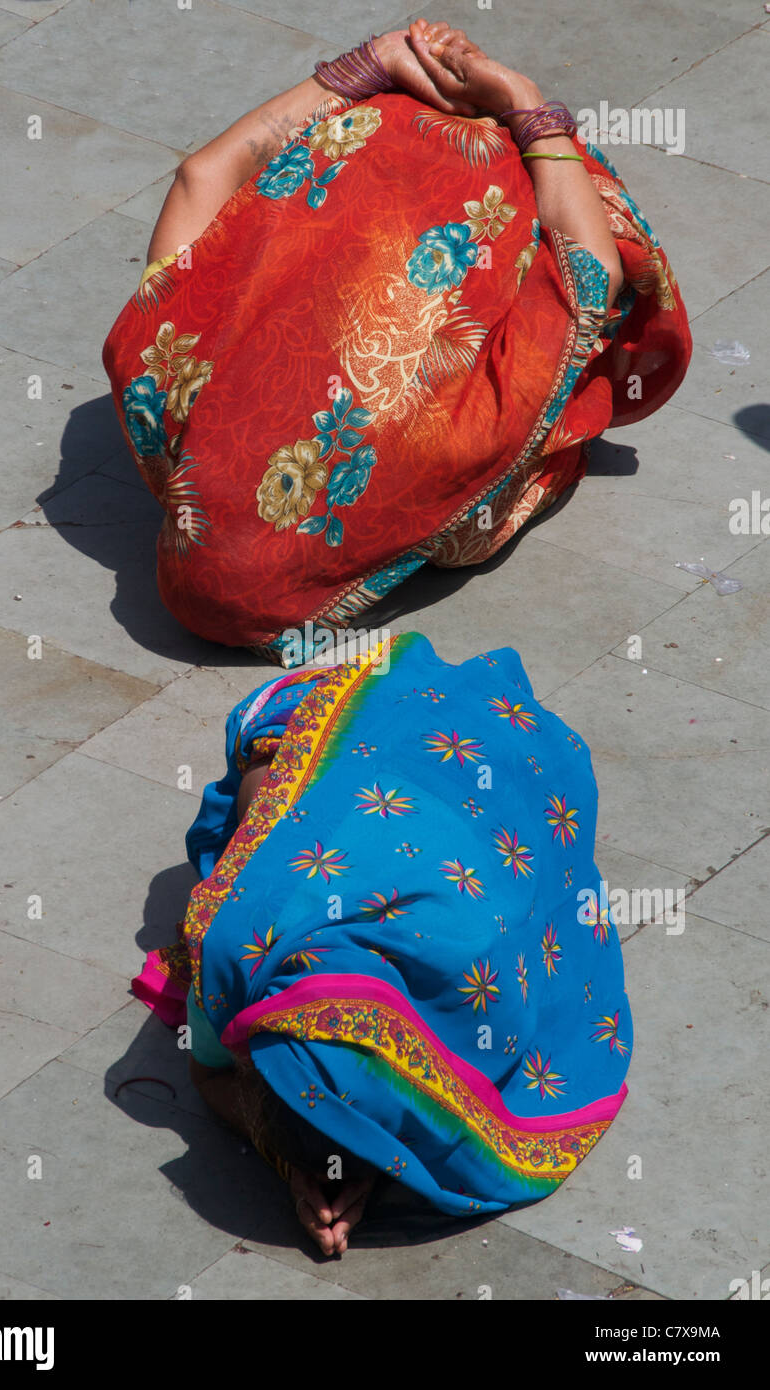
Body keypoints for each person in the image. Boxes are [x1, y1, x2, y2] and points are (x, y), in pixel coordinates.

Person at [102, 19, 691, 667]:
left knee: (576, 246)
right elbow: (201, 176)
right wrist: (367, 68)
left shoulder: (449, 471)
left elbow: (588, 276)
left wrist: (533, 118)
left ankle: (475, 144)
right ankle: (412, 131)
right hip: (375, 157)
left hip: (482, 184)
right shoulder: (157, 396)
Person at [134, 632, 632, 1255]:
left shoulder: (479, 984)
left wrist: (353, 1163)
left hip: (509, 752)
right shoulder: (230, 948)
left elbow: (214, 1075)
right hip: (392, 747)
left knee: (270, 792)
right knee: (268, 789)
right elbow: (209, 1073)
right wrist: (306, 1168)